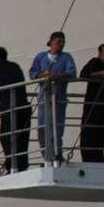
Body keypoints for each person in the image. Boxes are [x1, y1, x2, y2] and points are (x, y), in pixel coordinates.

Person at [29, 31, 78, 164]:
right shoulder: (41, 57)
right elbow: (33, 73)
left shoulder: (66, 57)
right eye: (58, 42)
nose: (61, 45)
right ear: (51, 42)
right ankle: (47, 155)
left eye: (63, 42)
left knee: (58, 127)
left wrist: (56, 76)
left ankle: (57, 153)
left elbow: (72, 72)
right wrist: (44, 75)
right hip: (44, 97)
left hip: (59, 97)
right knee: (43, 127)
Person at [0, 47, 30, 174]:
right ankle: (22, 165)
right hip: (24, 107)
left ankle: (11, 166)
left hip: (8, 108)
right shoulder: (15, 66)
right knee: (22, 138)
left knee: (7, 138)